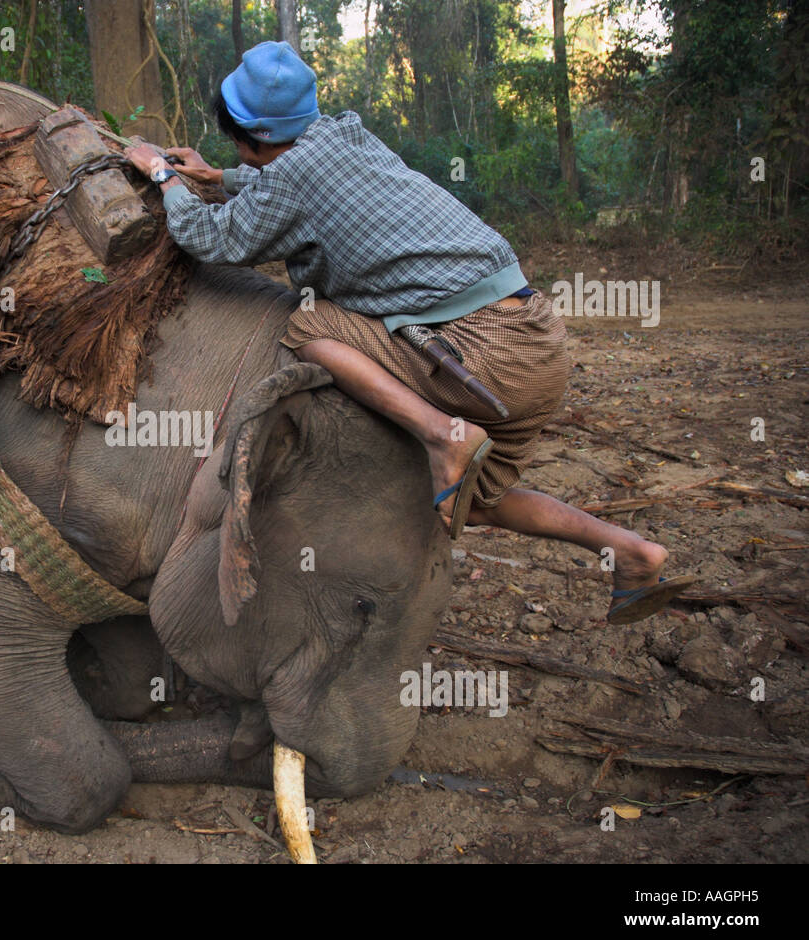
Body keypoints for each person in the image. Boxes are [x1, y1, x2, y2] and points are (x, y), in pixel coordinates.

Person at [123, 40, 694, 624]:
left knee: (308, 323)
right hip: (537, 339)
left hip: (482, 355)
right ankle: (631, 551)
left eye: (239, 143)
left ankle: (442, 434)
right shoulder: (347, 135)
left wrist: (163, 174)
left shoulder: (289, 178)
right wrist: (222, 176)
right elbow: (294, 183)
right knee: (475, 502)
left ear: (252, 135)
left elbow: (213, 239)